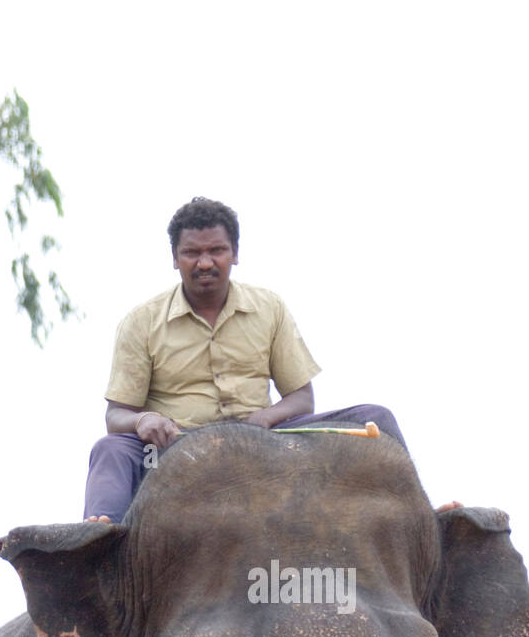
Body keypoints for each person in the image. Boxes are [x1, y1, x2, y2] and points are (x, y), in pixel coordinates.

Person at [83, 196, 409, 523]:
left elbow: (301, 398)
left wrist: (267, 418)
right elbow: (116, 416)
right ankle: (97, 537)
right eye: (192, 253)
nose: (205, 263)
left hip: (271, 441)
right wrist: (142, 421)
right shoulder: (141, 322)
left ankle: (421, 516)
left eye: (217, 251)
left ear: (235, 254)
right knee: (109, 450)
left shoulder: (269, 308)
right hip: (172, 448)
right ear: (174, 259)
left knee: (375, 417)